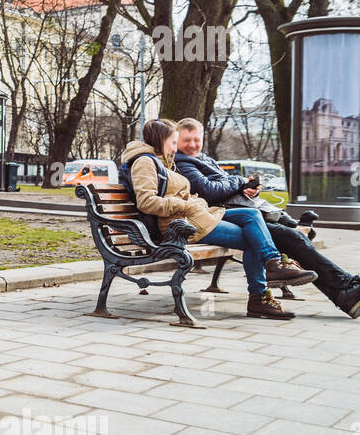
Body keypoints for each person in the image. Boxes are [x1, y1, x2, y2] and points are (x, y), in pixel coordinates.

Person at [173, 117, 360, 317]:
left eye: (197, 139)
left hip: (237, 214)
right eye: (187, 140)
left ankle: (345, 293)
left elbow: (222, 186)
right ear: (177, 141)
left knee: (292, 238)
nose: (192, 145)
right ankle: (346, 287)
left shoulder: (204, 159)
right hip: (221, 218)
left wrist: (246, 188)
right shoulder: (182, 162)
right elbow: (208, 190)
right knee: (292, 238)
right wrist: (240, 182)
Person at [121, 119, 317, 320]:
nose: (175, 146)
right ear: (160, 140)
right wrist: (185, 205)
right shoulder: (144, 162)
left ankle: (274, 264)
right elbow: (146, 202)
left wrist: (192, 203)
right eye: (173, 141)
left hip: (195, 214)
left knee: (252, 214)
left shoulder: (161, 160)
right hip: (180, 226)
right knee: (252, 239)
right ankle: (260, 298)